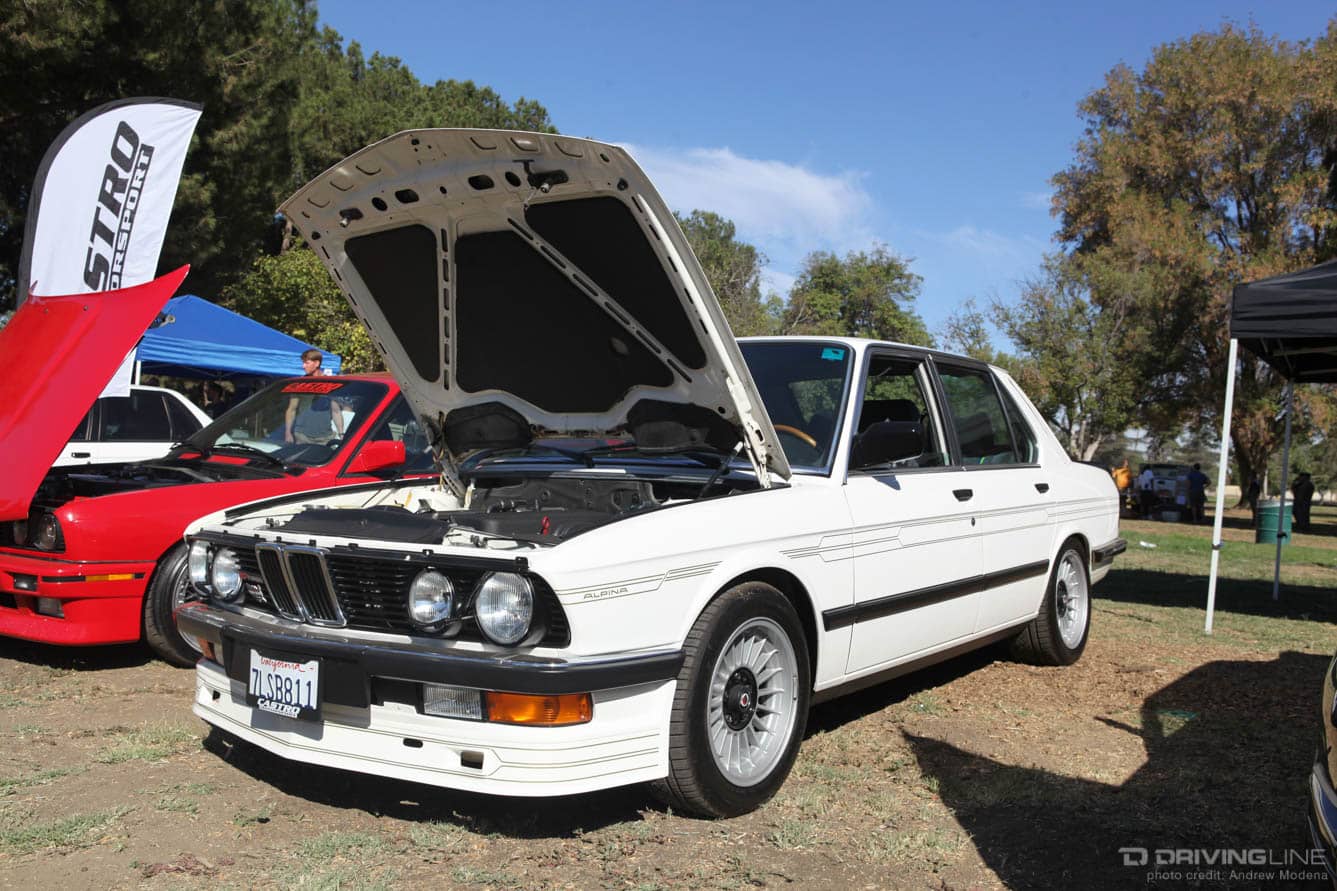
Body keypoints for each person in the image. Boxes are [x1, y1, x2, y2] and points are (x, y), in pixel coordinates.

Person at [284, 349, 345, 444]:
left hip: (325, 438)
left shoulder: (330, 384)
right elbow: (291, 409)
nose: (303, 366)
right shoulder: (299, 384)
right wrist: (288, 432)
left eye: (306, 363)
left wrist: (341, 434)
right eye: (303, 363)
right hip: (302, 436)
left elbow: (336, 411)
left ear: (317, 363)